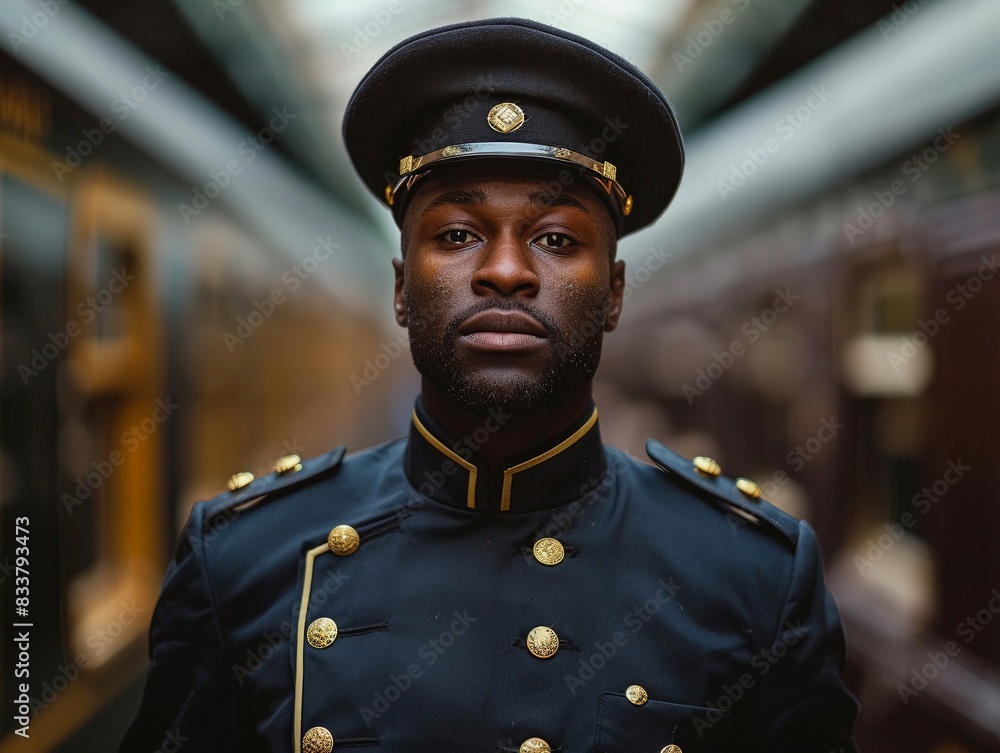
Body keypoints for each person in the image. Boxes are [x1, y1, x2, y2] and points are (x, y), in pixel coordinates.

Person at [120, 18, 859, 753]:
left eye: (556, 239)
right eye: (457, 235)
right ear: (402, 289)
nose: (505, 271)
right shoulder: (241, 563)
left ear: (614, 294)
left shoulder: (752, 577)